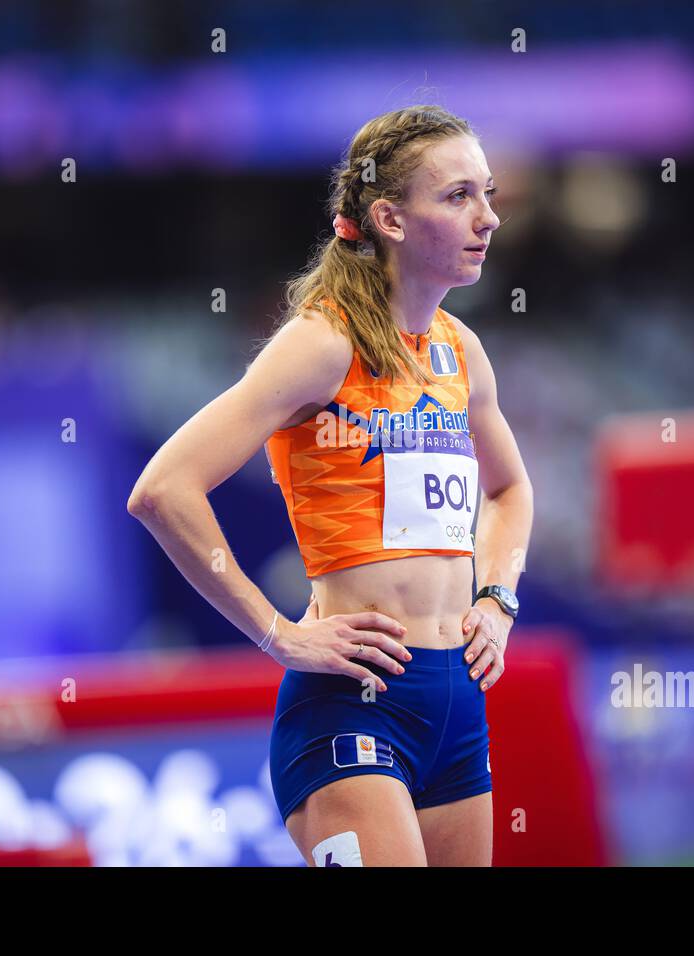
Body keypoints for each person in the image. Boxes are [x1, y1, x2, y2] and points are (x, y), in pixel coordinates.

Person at [127, 104, 533, 866]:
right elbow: (163, 489)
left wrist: (498, 599)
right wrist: (276, 633)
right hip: (354, 704)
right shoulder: (321, 344)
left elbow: (510, 492)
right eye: (458, 196)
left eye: (489, 194)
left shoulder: (461, 352)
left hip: (457, 703)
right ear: (391, 217)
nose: (488, 218)